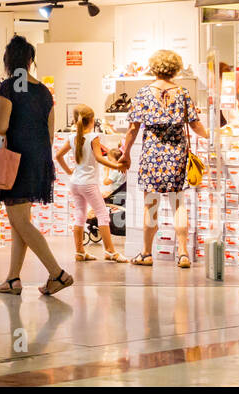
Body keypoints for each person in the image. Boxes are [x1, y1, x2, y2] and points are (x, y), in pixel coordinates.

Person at [0, 35, 73, 297]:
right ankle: (13, 279)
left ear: (8, 61)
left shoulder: (9, 87)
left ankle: (57, 273)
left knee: (20, 222)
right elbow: (50, 135)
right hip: (39, 160)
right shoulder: (44, 91)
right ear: (29, 60)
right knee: (20, 222)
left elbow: (1, 127)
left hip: (15, 161)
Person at [121, 49, 209, 269]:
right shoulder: (183, 93)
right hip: (177, 154)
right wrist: (212, 136)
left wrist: (126, 153)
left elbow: (132, 129)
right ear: (175, 68)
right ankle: (182, 253)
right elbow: (195, 125)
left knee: (151, 205)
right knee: (178, 203)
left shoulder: (142, 93)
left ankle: (147, 253)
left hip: (152, 155)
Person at [54, 105, 125, 263]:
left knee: (80, 214)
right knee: (103, 215)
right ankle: (110, 251)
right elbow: (100, 158)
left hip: (75, 183)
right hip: (88, 184)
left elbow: (58, 156)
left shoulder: (72, 138)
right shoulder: (93, 137)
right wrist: (118, 166)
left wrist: (69, 171)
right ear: (92, 120)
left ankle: (79, 251)